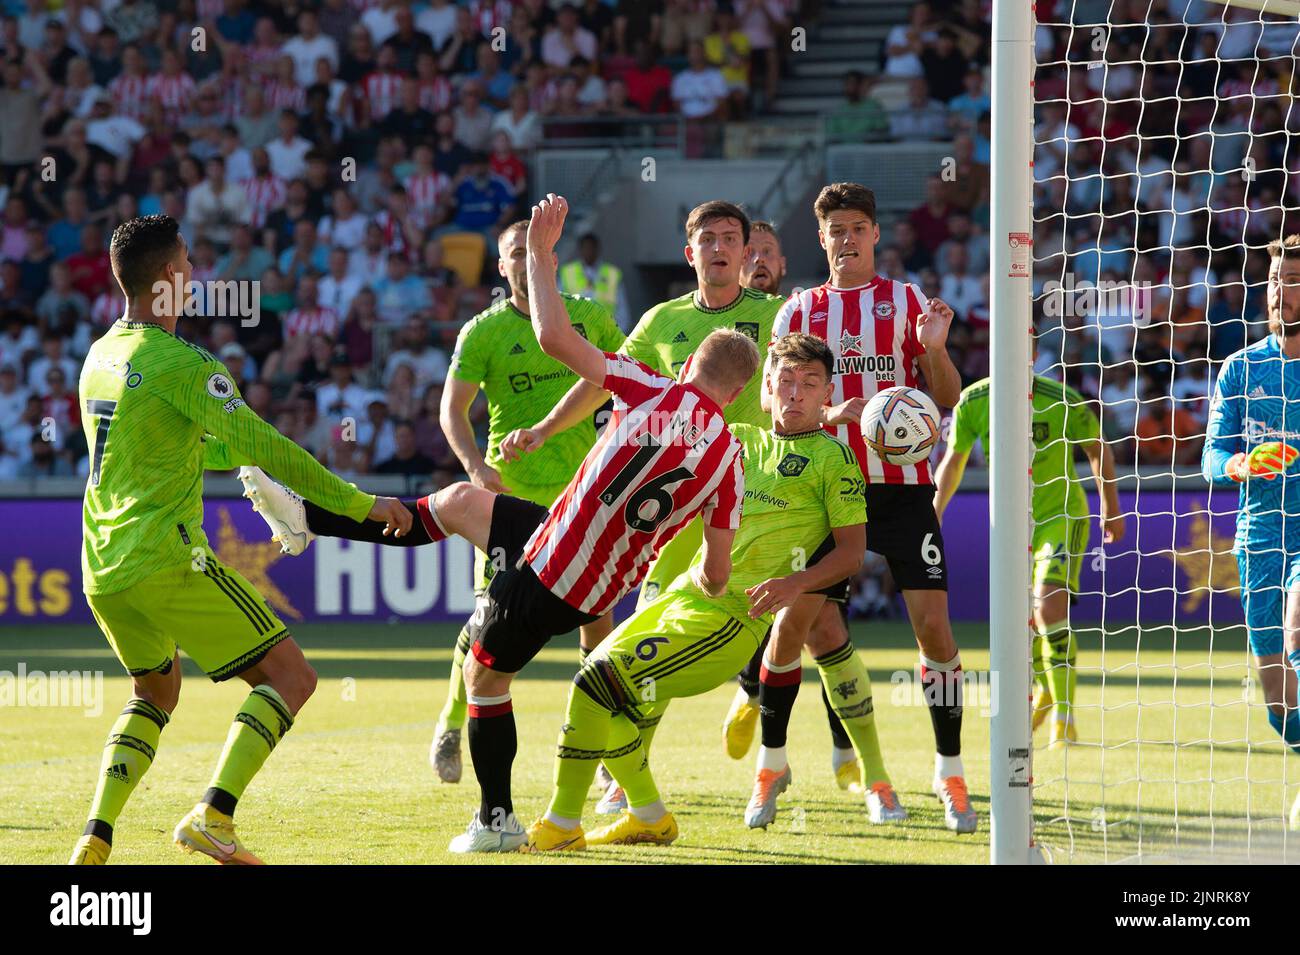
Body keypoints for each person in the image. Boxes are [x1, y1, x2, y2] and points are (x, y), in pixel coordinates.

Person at [240, 194, 759, 854]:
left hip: (556, 566)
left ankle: (497, 817)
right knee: (458, 502)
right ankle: (309, 517)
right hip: (586, 569)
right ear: (737, 393)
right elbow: (716, 573)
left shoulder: (652, 387)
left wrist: (541, 255)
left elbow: (554, 337)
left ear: (689, 367)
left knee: (486, 678)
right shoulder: (729, 462)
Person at [67, 215, 410, 866]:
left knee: (155, 692)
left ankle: (95, 836)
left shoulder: (100, 355)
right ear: (169, 277)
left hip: (101, 566)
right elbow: (270, 445)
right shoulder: (184, 363)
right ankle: (214, 817)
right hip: (164, 554)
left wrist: (239, 458)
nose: (195, 275)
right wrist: (361, 504)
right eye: (190, 263)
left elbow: (188, 444)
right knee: (291, 677)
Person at [525, 333, 870, 850]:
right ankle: (647, 815)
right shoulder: (735, 441)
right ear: (767, 388)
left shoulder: (834, 460)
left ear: (826, 393)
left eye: (811, 384)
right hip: (685, 595)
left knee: (597, 685)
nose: (796, 393)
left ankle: (562, 824)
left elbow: (852, 552)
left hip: (731, 619)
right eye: (787, 381)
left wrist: (793, 583)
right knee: (595, 687)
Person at [769, 182, 975, 833]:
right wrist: (831, 411)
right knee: (818, 630)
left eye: (860, 227)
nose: (849, 238)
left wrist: (936, 350)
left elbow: (947, 399)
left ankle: (950, 771)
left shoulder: (909, 301)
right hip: (826, 488)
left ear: (876, 234)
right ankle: (839, 763)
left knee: (935, 629)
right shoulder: (798, 314)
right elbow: (777, 411)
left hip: (905, 487)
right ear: (823, 236)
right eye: (837, 229)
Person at [429, 219, 623, 784]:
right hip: (506, 500)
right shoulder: (482, 332)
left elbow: (627, 378)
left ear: (550, 259)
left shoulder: (588, 319)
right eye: (512, 254)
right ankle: (449, 720)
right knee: (488, 620)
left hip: (582, 496)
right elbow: (452, 410)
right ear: (500, 267)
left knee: (598, 624)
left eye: (528, 253)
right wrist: (474, 468)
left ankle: (605, 748)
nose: (521, 262)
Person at [934, 372, 1124, 747]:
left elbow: (1097, 446)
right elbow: (954, 462)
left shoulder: (1061, 397)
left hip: (1060, 517)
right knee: (1024, 624)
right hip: (1012, 525)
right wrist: (933, 514)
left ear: (1034, 351)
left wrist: (1111, 506)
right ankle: (1048, 689)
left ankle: (1064, 718)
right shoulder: (974, 401)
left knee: (1048, 607)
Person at [1202, 234, 1300, 830]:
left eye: (1290, 282)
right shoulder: (1241, 367)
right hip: (1258, 534)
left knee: (1299, 630)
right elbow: (1212, 455)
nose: (1278, 293)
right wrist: (1239, 463)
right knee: (1277, 699)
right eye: (1272, 283)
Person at [559, 232, 629, 331]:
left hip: (606, 333)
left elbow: (622, 311)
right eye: (586, 248)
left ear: (597, 249)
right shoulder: (568, 272)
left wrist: (619, 336)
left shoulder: (612, 274)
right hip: (575, 334)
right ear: (580, 250)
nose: (589, 251)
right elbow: (558, 304)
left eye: (591, 248)